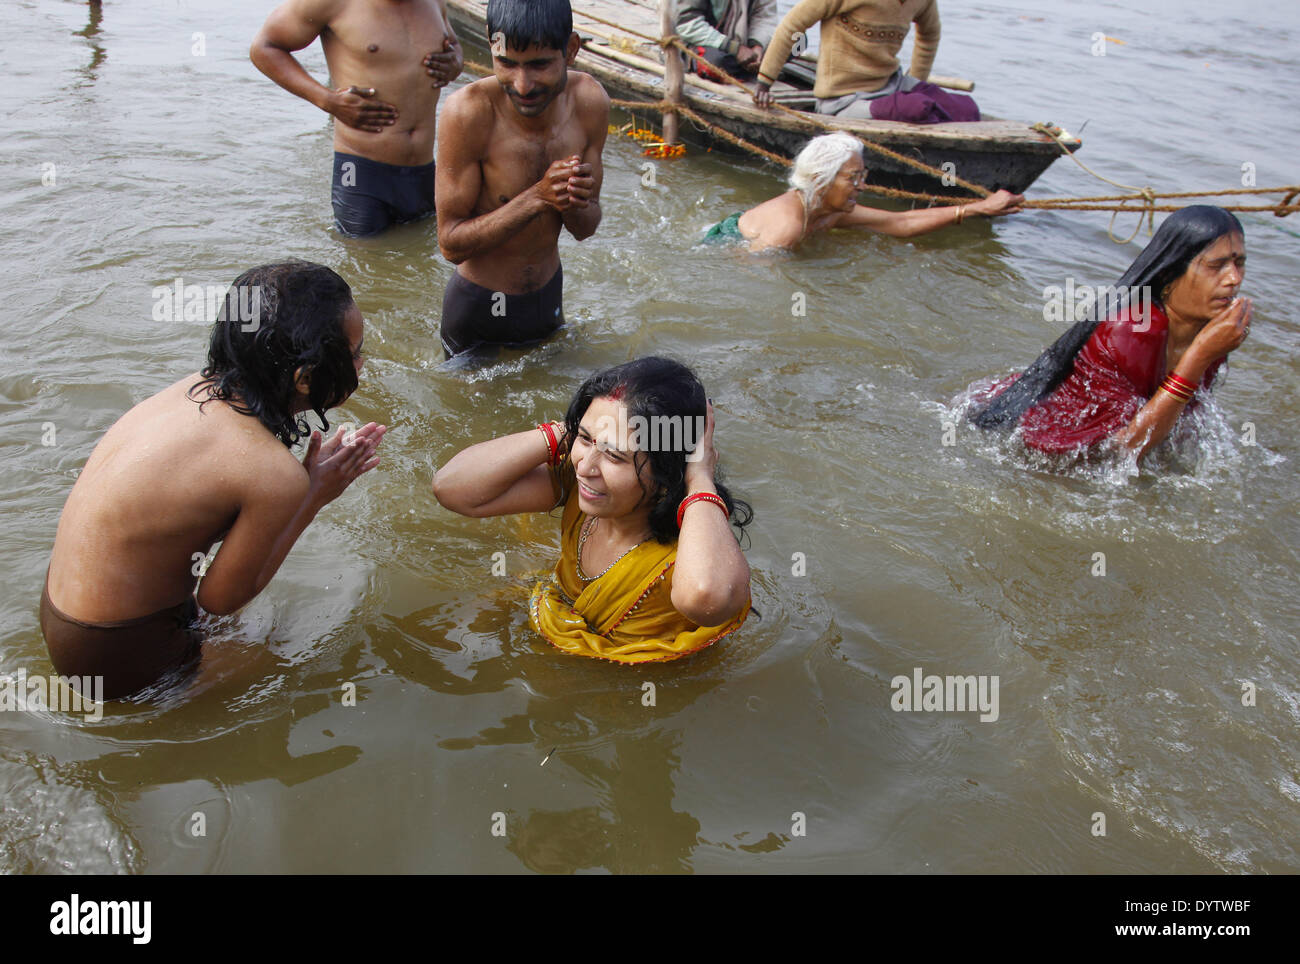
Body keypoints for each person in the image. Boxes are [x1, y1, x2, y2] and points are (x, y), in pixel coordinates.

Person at [41, 262, 387, 699]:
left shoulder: (193, 388)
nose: (363, 364)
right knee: (287, 672)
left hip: (63, 612)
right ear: (305, 378)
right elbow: (221, 601)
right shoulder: (272, 473)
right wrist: (314, 494)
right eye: (356, 352)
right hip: (111, 651)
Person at [432, 357, 752, 663]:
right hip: (554, 628)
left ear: (666, 476)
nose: (585, 467)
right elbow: (454, 489)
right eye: (584, 440)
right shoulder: (579, 487)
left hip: (633, 684)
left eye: (614, 457)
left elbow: (706, 599)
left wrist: (699, 477)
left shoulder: (688, 555)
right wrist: (575, 429)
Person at [967, 206, 1252, 461]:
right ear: (1168, 274)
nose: (1234, 279)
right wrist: (1199, 356)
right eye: (1216, 266)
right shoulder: (1132, 329)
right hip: (1019, 440)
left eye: (1239, 263)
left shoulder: (1213, 329)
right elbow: (1124, 447)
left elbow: (1178, 421)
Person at [434, 0, 609, 358]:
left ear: (571, 49)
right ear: (490, 44)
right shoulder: (468, 113)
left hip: (547, 297)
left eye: (539, 65)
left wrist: (574, 200)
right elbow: (450, 244)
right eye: (507, 63)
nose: (523, 85)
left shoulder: (590, 102)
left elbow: (585, 228)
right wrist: (539, 197)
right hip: (478, 308)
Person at [251, 0, 463, 237]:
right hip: (358, 169)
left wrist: (455, 60)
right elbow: (265, 47)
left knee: (419, 256)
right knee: (360, 261)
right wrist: (327, 100)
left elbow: (451, 42)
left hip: (423, 169)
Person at [702, 131, 1020, 250]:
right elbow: (744, 275)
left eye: (862, 176)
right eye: (853, 178)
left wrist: (978, 208)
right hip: (724, 242)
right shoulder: (787, 228)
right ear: (822, 180)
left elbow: (901, 223)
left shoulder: (831, 211)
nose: (862, 186)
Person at [751, 0, 954, 120]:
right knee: (920, 106)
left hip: (891, 84)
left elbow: (929, 36)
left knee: (963, 107)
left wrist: (917, 81)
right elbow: (793, 24)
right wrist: (764, 82)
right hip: (842, 98)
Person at [676, 0, 779, 81]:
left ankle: (750, 64)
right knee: (718, 61)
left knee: (788, 47)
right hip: (704, 41)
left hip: (744, 43)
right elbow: (687, 24)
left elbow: (764, 16)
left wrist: (757, 45)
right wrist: (735, 48)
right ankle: (751, 67)